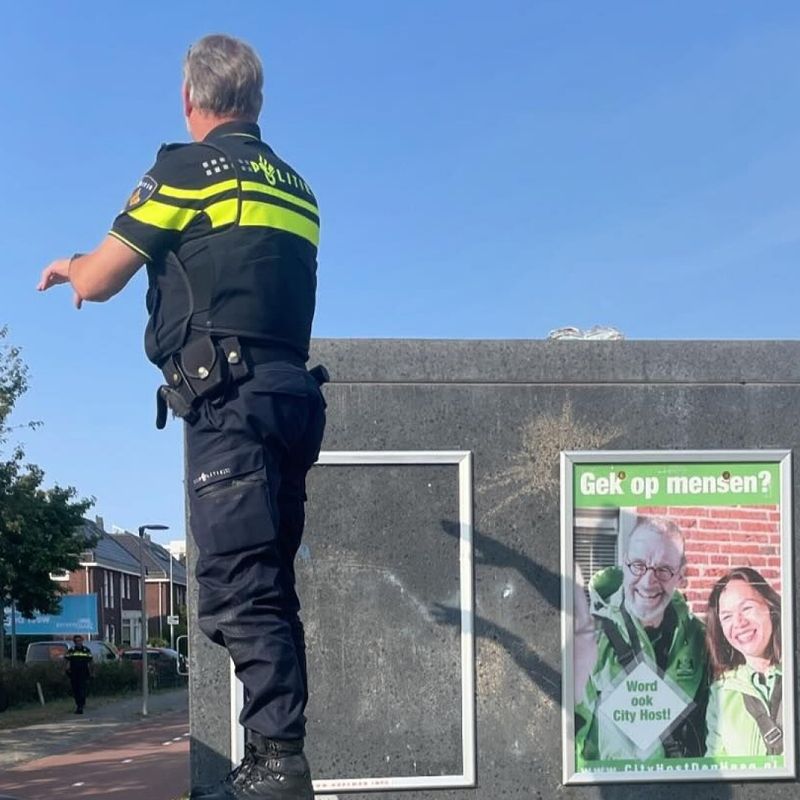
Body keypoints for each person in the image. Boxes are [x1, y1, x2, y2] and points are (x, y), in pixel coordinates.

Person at [37, 34, 326, 799]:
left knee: (233, 588)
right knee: (269, 586)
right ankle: (273, 757)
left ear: (190, 100)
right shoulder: (298, 187)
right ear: (256, 103)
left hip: (229, 403)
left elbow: (101, 278)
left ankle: (276, 768)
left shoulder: (184, 169)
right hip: (293, 399)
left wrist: (71, 267)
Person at [574, 516, 708, 763]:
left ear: (680, 575)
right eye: (638, 565)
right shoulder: (586, 638)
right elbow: (569, 743)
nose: (648, 581)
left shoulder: (699, 638)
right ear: (624, 564)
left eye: (664, 570)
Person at [705, 567, 783, 757]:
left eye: (747, 608)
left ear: (770, 608)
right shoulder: (722, 694)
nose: (739, 623)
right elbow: (717, 770)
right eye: (727, 617)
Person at [65, 635, 93, 714]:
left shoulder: (86, 650)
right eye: (77, 641)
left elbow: (90, 662)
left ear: (82, 641)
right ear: (74, 642)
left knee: (82, 688)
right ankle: (79, 703)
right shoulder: (71, 650)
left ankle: (80, 706)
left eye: (79, 641)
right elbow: (67, 661)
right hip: (74, 673)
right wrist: (66, 670)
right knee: (75, 689)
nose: (78, 643)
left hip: (84, 672)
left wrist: (92, 672)